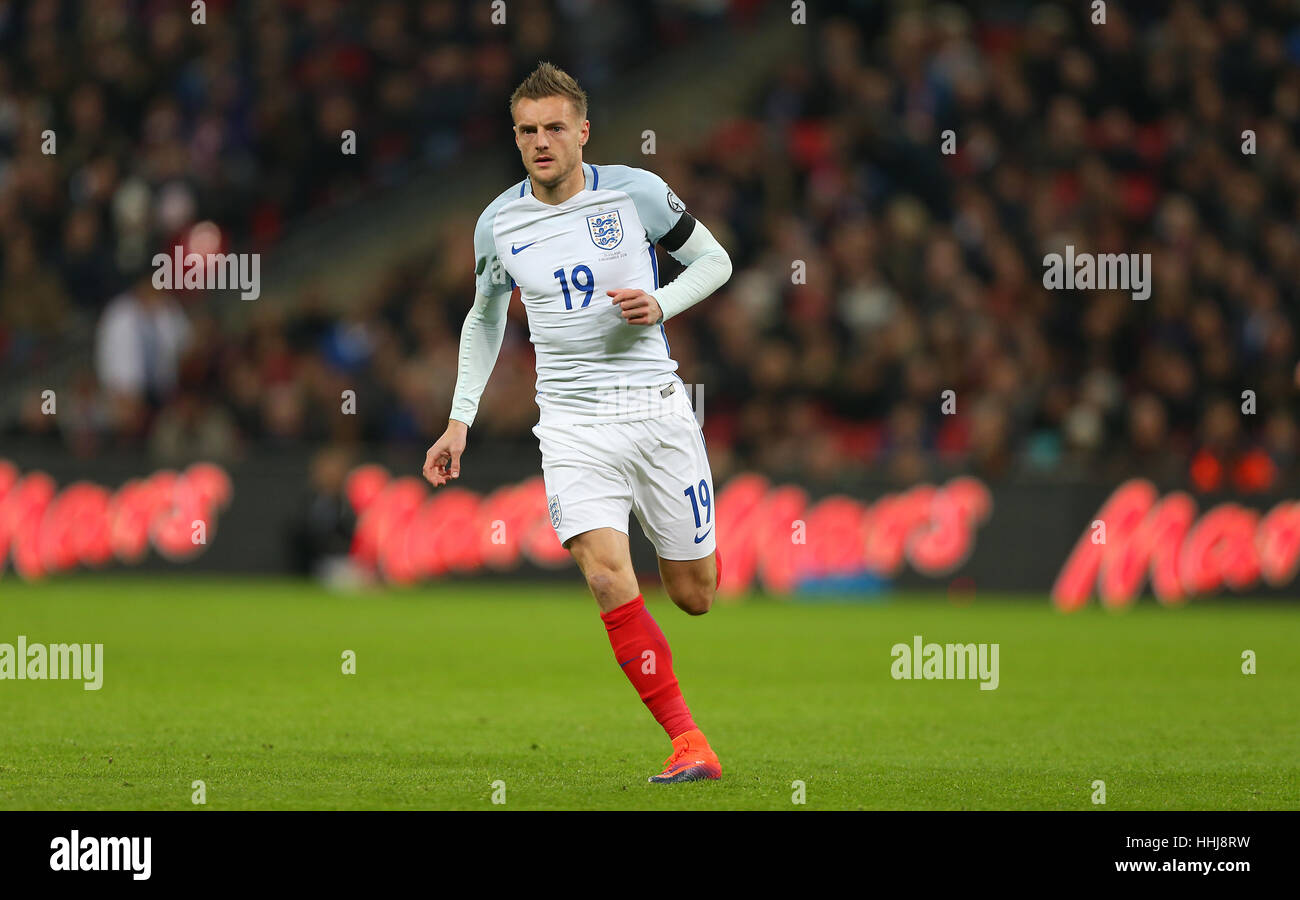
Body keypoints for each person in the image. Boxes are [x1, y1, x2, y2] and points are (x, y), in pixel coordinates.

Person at [422, 62, 732, 783]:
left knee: (695, 595)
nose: (541, 141)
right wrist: (458, 420)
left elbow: (713, 261)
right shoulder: (498, 224)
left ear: (583, 131)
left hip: (654, 411)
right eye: (527, 130)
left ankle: (694, 550)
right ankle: (690, 741)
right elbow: (485, 315)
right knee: (604, 575)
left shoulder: (639, 193)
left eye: (555, 127)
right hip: (571, 426)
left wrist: (663, 303)